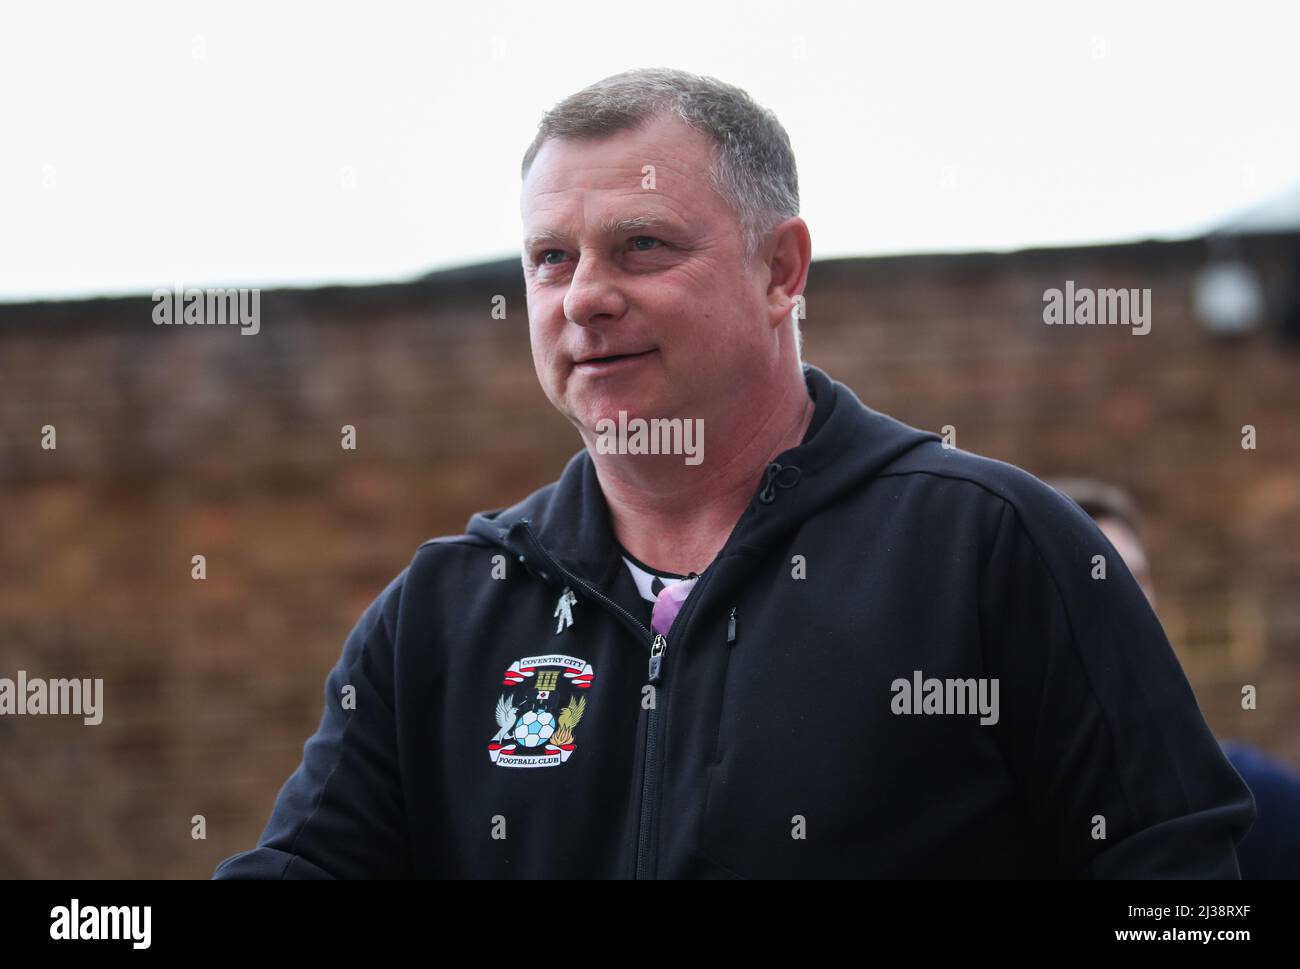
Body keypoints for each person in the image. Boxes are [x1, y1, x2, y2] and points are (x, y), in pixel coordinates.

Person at [214, 68, 1253, 879]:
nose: (583, 298)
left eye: (641, 246)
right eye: (549, 259)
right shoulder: (442, 614)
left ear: (781, 270)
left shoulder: (993, 550)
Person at [1052, 477, 1300, 879]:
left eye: (1133, 577)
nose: (1123, 601)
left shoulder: (1266, 804)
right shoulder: (987, 823)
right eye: (1093, 576)